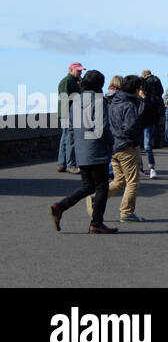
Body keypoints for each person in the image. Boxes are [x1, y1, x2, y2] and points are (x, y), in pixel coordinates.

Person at [49, 70, 116, 234]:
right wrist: (112, 145)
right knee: (102, 187)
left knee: (88, 186)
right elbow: (103, 128)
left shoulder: (76, 100)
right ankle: (96, 223)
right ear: (99, 85)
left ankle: (61, 206)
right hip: (97, 150)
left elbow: (71, 128)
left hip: (81, 150)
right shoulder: (99, 102)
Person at [101, 74, 152, 223]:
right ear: (137, 89)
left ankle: (96, 198)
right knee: (132, 181)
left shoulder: (113, 102)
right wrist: (142, 101)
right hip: (127, 147)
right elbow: (132, 125)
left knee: (119, 181)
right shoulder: (129, 105)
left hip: (114, 146)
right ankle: (127, 213)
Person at [57, 63, 84, 174]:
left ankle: (62, 163)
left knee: (65, 138)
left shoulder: (72, 81)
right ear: (71, 70)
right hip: (68, 113)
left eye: (81, 71)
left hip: (67, 113)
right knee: (70, 139)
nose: (80, 73)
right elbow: (64, 98)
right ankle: (71, 165)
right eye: (78, 71)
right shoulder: (67, 81)